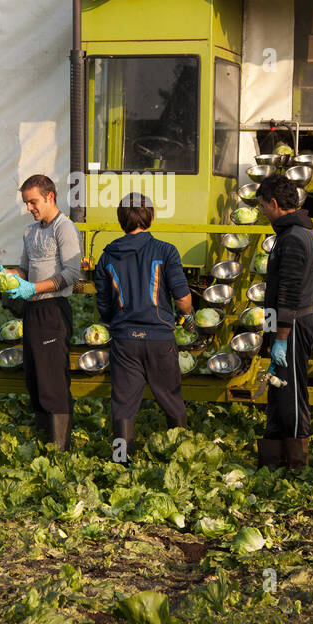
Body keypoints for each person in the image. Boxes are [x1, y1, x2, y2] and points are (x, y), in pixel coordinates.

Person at [93, 192, 198, 463]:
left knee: (123, 404)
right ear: (150, 217)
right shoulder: (165, 251)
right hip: (160, 338)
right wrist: (189, 318)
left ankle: (120, 459)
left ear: (120, 221)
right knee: (171, 398)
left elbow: (103, 306)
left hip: (124, 340)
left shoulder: (106, 257)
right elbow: (183, 298)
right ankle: (181, 458)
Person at [0, 174, 82, 450]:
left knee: (52, 380)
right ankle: (45, 442)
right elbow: (24, 271)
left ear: (50, 196)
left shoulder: (64, 229)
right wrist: (3, 276)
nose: (29, 208)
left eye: (33, 201)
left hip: (53, 309)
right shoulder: (31, 231)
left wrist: (34, 288)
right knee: (35, 378)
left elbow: (71, 274)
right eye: (26, 203)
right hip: (32, 312)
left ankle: (60, 447)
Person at [255, 175, 313, 471]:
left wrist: (281, 336)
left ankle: (296, 463)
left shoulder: (294, 236)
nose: (261, 212)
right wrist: (270, 334)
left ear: (273, 203)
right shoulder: (291, 232)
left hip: (294, 322)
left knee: (292, 391)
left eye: (262, 206)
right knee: (278, 389)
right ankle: (273, 459)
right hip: (283, 323)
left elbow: (289, 291)